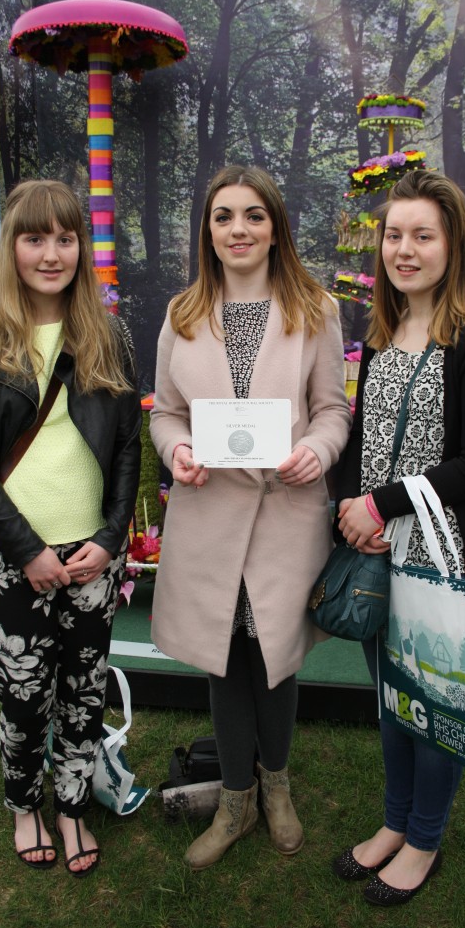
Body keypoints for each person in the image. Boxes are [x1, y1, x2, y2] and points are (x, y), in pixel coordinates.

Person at [0, 180, 141, 876]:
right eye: (34, 238)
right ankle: (24, 804)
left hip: (92, 556)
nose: (51, 253)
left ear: (80, 246)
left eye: (64, 237)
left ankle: (73, 807)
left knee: (85, 693)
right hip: (7, 556)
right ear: (11, 247)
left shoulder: (107, 332)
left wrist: (112, 538)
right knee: (23, 697)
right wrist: (26, 551)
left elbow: (126, 448)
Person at [150, 164, 350, 869]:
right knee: (223, 658)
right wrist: (174, 449)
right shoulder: (181, 314)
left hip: (284, 518)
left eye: (253, 215)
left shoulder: (315, 309)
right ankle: (235, 798)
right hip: (209, 520)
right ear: (207, 229)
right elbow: (167, 413)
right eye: (224, 216)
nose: (238, 229)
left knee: (276, 659)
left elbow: (332, 410)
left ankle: (278, 788)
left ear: (275, 227)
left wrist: (317, 451)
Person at [332, 169, 465, 906]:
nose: (405, 250)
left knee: (435, 702)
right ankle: (396, 822)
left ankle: (425, 840)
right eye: (394, 235)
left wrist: (381, 503)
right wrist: (350, 508)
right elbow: (363, 440)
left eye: (422, 236)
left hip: (443, 555)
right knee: (392, 698)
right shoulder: (380, 330)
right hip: (379, 550)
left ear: (451, 243)